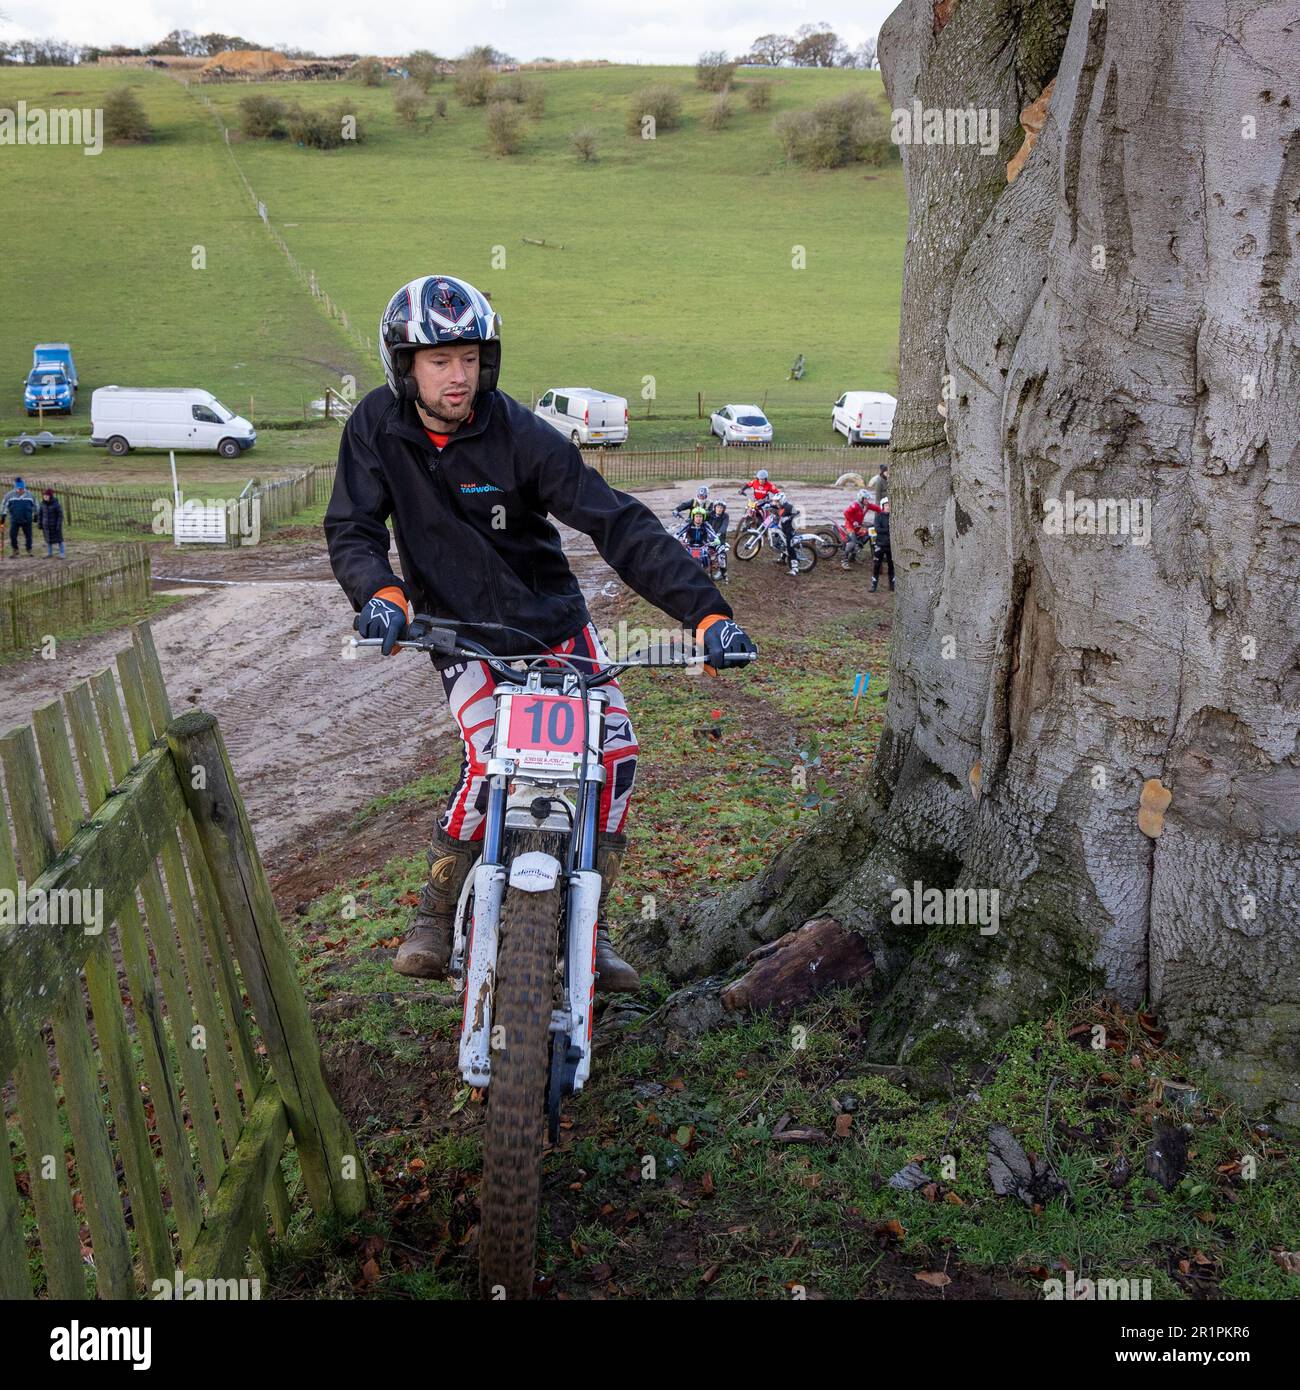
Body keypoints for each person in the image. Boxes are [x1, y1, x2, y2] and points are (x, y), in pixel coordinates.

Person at [325, 274, 757, 991]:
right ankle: (436, 910)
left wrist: (706, 613)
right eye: (439, 361)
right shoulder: (376, 426)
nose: (457, 376)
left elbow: (613, 520)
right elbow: (354, 526)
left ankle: (593, 922)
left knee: (615, 759)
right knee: (491, 752)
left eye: (469, 357)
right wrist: (381, 596)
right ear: (404, 364)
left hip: (554, 624)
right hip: (457, 633)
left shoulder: (519, 432)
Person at [839, 490, 874, 571]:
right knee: (852, 542)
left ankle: (852, 557)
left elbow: (876, 508)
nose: (867, 501)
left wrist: (884, 512)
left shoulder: (866, 506)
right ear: (861, 498)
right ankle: (844, 561)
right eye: (865, 499)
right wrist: (852, 521)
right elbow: (845, 513)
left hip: (857, 526)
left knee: (866, 535)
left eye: (867, 499)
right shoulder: (854, 505)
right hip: (849, 526)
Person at [2, 478, 36, 558]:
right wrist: (3, 515)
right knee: (13, 535)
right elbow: (4, 505)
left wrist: (36, 515)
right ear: (15, 488)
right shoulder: (9, 495)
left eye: (22, 489)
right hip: (15, 519)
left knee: (28, 535)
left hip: (27, 519)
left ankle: (29, 550)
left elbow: (35, 505)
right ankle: (15, 550)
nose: (21, 490)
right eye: (19, 489)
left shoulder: (30, 495)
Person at [866, 496, 894, 591]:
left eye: (889, 505)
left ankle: (892, 585)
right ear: (883, 506)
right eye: (886, 505)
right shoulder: (879, 516)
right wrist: (889, 530)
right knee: (877, 565)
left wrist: (887, 531)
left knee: (891, 565)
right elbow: (877, 529)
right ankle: (874, 585)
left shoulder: (893, 517)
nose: (888, 507)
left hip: (891, 546)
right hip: (880, 545)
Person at [38, 488, 64, 558]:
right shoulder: (42, 504)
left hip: (55, 526)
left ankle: (62, 553)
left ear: (50, 496)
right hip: (46, 526)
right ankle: (50, 553)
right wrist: (40, 524)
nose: (45, 497)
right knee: (48, 540)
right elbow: (40, 515)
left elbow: (60, 515)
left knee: (59, 540)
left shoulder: (56, 504)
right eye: (44, 496)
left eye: (46, 496)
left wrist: (59, 525)